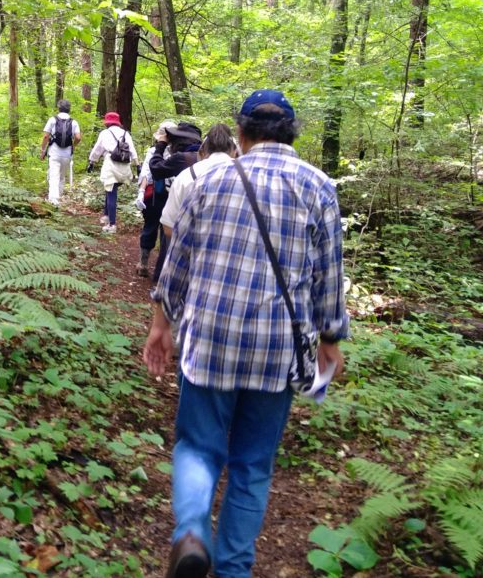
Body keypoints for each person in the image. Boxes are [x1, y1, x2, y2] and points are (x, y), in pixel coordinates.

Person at [143, 90, 349, 578]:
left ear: (240, 133)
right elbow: (328, 275)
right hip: (277, 350)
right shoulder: (318, 187)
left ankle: (192, 534)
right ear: (292, 134)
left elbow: (178, 264)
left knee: (197, 446)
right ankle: (234, 568)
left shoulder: (211, 179)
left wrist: (160, 326)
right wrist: (330, 340)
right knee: (253, 465)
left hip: (209, 339)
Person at [144, 122, 202, 280]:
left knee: (168, 238)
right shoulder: (204, 155)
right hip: (205, 211)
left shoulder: (183, 158)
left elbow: (156, 169)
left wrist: (160, 145)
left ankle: (164, 281)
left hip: (181, 209)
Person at [159, 123, 236, 234]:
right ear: (234, 152)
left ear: (202, 151)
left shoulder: (185, 177)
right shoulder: (248, 179)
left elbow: (168, 227)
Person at [87, 111, 139, 233]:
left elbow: (97, 150)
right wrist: (138, 165)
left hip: (111, 165)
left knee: (111, 193)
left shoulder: (105, 133)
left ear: (107, 123)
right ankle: (106, 216)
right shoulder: (125, 133)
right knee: (110, 190)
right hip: (125, 168)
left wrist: (91, 162)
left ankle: (112, 224)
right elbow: (132, 150)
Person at [136, 120, 176, 275]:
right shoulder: (179, 152)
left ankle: (144, 263)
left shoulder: (154, 151)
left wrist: (141, 191)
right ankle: (163, 268)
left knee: (150, 227)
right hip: (172, 196)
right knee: (168, 230)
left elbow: (146, 172)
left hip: (155, 197)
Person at [40, 99, 82, 205]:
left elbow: (46, 136)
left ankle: (53, 201)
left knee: (53, 175)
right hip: (67, 154)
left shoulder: (52, 120)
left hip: (54, 152)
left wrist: (42, 150)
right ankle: (58, 198)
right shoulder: (74, 122)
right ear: (69, 109)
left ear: (59, 108)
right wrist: (73, 145)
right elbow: (78, 137)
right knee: (62, 177)